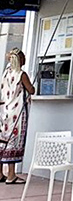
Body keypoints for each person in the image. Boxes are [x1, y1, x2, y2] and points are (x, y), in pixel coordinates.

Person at [0, 48, 35, 184]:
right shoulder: (22, 74)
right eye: (24, 57)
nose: (25, 59)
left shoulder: (5, 74)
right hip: (17, 112)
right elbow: (31, 90)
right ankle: (11, 175)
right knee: (13, 141)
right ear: (20, 60)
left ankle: (0, 174)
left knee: (3, 142)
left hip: (5, 111)